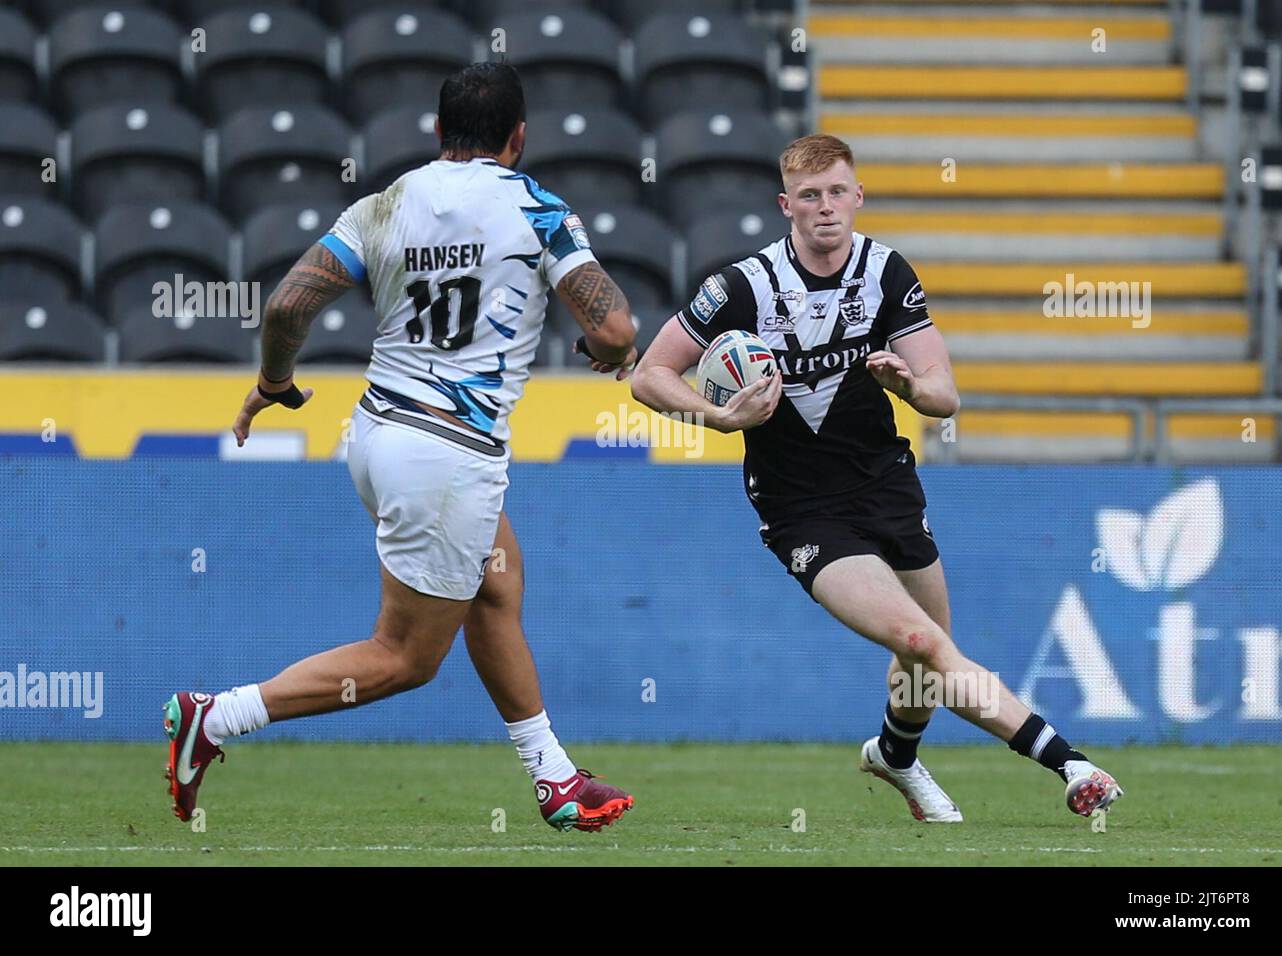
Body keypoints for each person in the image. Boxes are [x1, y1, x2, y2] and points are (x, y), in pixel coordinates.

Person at [164, 63, 637, 833]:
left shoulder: (385, 204)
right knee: (404, 659)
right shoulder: (537, 207)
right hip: (449, 456)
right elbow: (615, 327)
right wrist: (607, 349)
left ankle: (553, 775)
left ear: (437, 133)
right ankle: (216, 717)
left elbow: (287, 303)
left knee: (496, 586)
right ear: (519, 138)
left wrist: (275, 382)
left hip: (378, 434)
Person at [627, 133, 1123, 822]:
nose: (825, 208)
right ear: (785, 206)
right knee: (920, 641)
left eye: (837, 192)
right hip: (801, 509)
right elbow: (649, 376)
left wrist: (909, 387)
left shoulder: (886, 273)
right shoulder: (744, 286)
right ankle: (1070, 764)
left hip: (887, 486)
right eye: (809, 196)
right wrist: (719, 416)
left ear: (858, 196)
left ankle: (894, 755)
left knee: (925, 661)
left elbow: (945, 395)